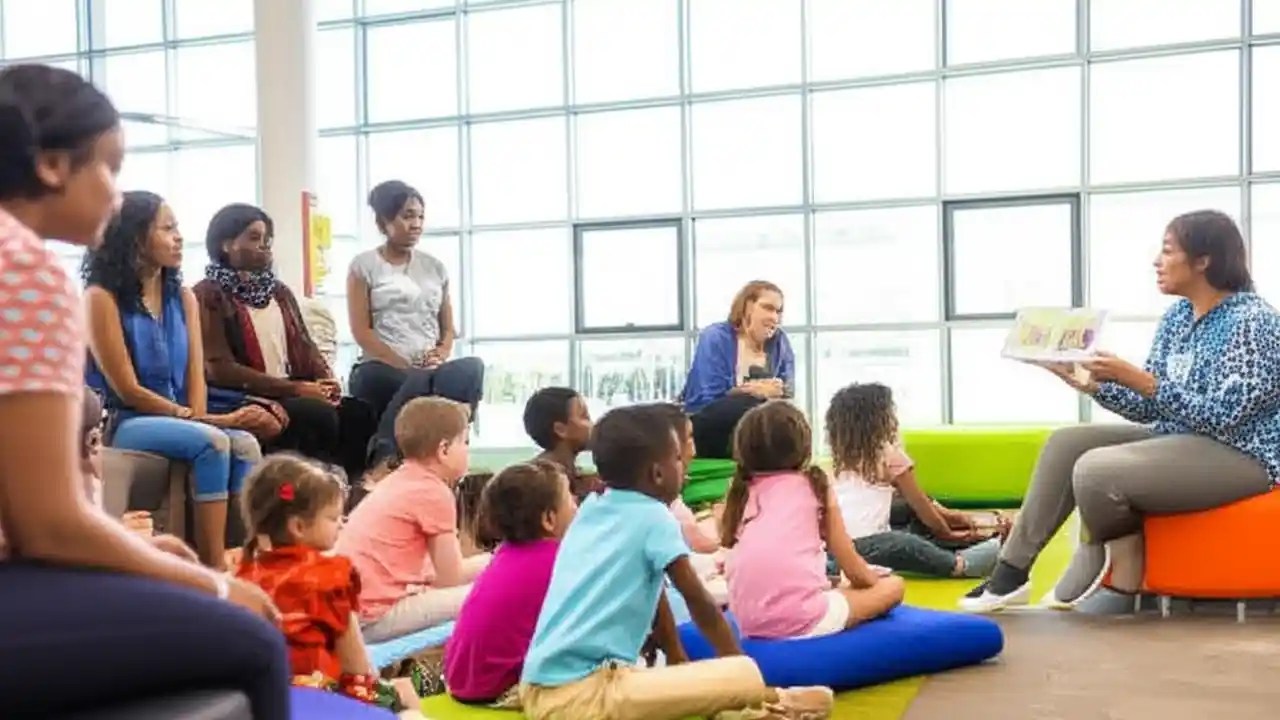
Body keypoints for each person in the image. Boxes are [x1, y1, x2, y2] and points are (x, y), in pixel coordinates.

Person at [0, 63, 288, 718]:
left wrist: (132, 554)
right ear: (50, 164)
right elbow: (45, 527)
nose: (114, 194)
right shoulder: (24, 267)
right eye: (109, 168)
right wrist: (210, 585)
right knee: (253, 635)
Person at [962, 209, 1280, 613]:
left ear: (1203, 261)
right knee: (1066, 443)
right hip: (1178, 438)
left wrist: (1142, 380)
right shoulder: (1178, 317)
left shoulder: (1255, 322)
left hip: (1242, 453)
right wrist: (1094, 385)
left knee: (1095, 469)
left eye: (1167, 251)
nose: (1156, 261)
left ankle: (1112, 545)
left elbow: (1225, 416)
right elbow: (1151, 408)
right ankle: (1011, 572)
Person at [518, 404, 834, 720]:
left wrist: (676, 657)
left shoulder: (593, 508)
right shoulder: (654, 517)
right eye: (678, 460)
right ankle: (770, 701)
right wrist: (738, 667)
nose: (685, 466)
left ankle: (756, 705)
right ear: (657, 473)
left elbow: (654, 596)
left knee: (680, 680)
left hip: (537, 688)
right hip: (586, 696)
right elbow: (699, 602)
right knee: (743, 675)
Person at [84, 190, 274, 569]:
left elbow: (195, 378)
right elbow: (127, 390)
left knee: (246, 444)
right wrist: (202, 421)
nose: (179, 237)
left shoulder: (184, 298)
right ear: (135, 238)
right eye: (167, 229)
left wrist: (199, 415)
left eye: (177, 228)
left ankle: (249, 558)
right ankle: (212, 563)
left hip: (179, 416)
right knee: (215, 443)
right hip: (124, 421)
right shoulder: (99, 298)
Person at [194, 202, 374, 479]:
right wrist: (295, 389)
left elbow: (305, 345)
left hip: (291, 389)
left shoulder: (279, 292)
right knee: (315, 414)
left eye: (267, 239)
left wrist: (325, 379)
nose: (265, 246)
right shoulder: (208, 294)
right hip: (244, 396)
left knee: (358, 413)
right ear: (226, 244)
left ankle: (343, 492)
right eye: (254, 238)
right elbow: (219, 368)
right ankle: (304, 493)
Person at [236, 453, 423, 716]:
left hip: (261, 697)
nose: (342, 523)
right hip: (317, 693)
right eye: (333, 518)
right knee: (405, 692)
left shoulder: (243, 573)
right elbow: (357, 667)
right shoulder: (330, 577)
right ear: (298, 526)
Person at [721, 400, 905, 640]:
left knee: (836, 585)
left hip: (746, 618)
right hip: (804, 620)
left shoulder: (741, 491)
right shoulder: (815, 485)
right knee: (894, 586)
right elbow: (850, 563)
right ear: (803, 446)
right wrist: (873, 583)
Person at [346, 179, 484, 464]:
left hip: (430, 368)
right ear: (384, 220)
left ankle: (398, 452)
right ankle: (385, 453)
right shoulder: (363, 266)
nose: (416, 224)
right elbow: (361, 331)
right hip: (380, 367)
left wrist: (440, 354)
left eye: (420, 216)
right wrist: (407, 367)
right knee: (415, 381)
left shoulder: (435, 267)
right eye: (407, 216)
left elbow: (448, 329)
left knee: (472, 367)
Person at [336, 397, 489, 642]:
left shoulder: (399, 480)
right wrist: (496, 561)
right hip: (369, 619)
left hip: (349, 611)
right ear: (444, 450)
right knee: (489, 594)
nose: (468, 451)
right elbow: (451, 578)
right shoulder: (434, 492)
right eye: (466, 442)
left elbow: (434, 575)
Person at [826, 383, 1001, 579]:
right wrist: (947, 534)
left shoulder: (838, 462)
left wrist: (954, 519)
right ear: (878, 420)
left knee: (904, 513)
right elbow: (924, 510)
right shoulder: (890, 456)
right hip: (860, 547)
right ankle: (961, 564)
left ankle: (966, 541)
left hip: (833, 547)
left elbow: (920, 503)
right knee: (904, 543)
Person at [444, 460, 576, 708]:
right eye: (570, 499)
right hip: (500, 688)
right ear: (549, 519)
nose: (576, 506)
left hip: (462, 681)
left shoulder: (506, 553)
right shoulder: (558, 560)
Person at [681, 280, 796, 459]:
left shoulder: (779, 341)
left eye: (778, 311)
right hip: (709, 424)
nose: (775, 318)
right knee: (748, 405)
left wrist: (768, 393)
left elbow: (787, 390)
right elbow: (707, 399)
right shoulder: (715, 337)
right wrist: (755, 392)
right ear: (747, 306)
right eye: (768, 308)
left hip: (755, 428)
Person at [522, 386, 600, 502]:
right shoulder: (539, 483)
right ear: (560, 430)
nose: (592, 424)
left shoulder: (571, 476)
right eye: (584, 416)